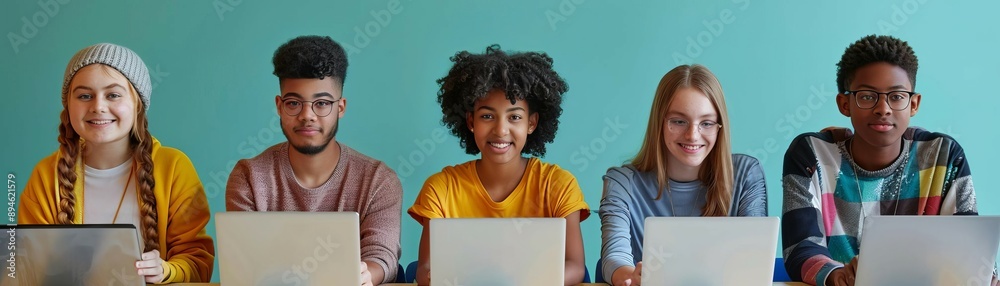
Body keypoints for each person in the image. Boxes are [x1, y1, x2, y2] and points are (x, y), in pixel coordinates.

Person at [781, 34, 995, 286]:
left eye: (896, 96)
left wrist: (981, 273)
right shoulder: (811, 155)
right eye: (867, 96)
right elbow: (800, 247)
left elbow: (968, 246)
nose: (883, 108)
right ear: (844, 103)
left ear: (913, 104)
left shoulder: (943, 156)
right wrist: (837, 275)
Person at [18, 43, 215, 283]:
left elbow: (198, 263)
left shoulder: (174, 167)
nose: (98, 106)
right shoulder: (46, 176)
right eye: (84, 96)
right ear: (68, 105)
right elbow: (25, 269)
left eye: (113, 95)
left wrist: (166, 271)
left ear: (137, 104)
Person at [225, 35, 403, 286]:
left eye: (321, 103)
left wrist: (366, 275)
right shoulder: (248, 177)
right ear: (279, 105)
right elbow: (244, 266)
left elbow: (382, 256)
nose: (307, 115)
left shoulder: (378, 180)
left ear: (340, 107)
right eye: (294, 103)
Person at [407, 45, 590, 285]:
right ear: (471, 121)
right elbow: (425, 271)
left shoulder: (559, 185)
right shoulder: (441, 188)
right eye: (487, 116)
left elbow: (575, 267)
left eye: (514, 117)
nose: (501, 130)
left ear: (532, 123)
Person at [599, 64, 767, 286]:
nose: (692, 135)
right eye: (678, 121)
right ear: (659, 122)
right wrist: (629, 277)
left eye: (706, 123)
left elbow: (752, 262)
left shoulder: (746, 174)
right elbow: (615, 256)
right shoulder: (622, 183)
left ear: (719, 127)